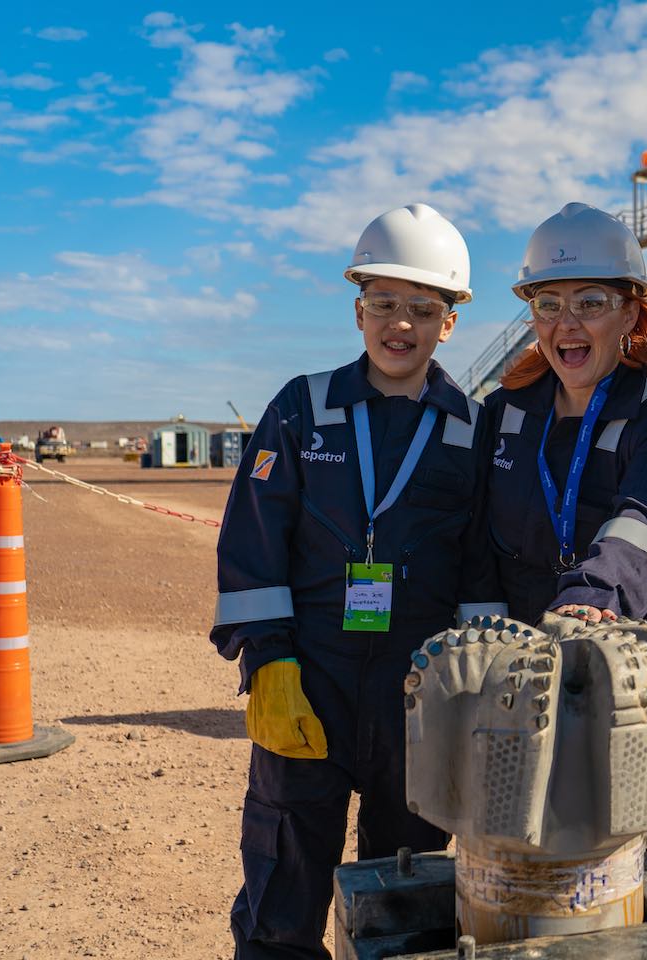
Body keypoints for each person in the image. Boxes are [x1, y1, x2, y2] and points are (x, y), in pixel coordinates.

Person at [210, 203, 505, 960]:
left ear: (450, 322)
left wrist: (475, 688)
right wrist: (268, 660)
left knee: (403, 902)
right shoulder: (301, 411)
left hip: (419, 697)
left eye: (422, 308)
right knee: (284, 888)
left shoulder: (471, 432)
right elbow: (253, 539)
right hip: (310, 677)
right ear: (357, 310)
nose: (399, 323)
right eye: (382, 304)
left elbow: (479, 563)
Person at [484, 202, 647, 650]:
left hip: (612, 647)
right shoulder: (504, 414)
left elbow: (643, 522)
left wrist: (593, 595)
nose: (566, 323)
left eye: (590, 302)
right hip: (508, 652)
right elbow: (469, 536)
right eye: (549, 304)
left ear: (629, 314)